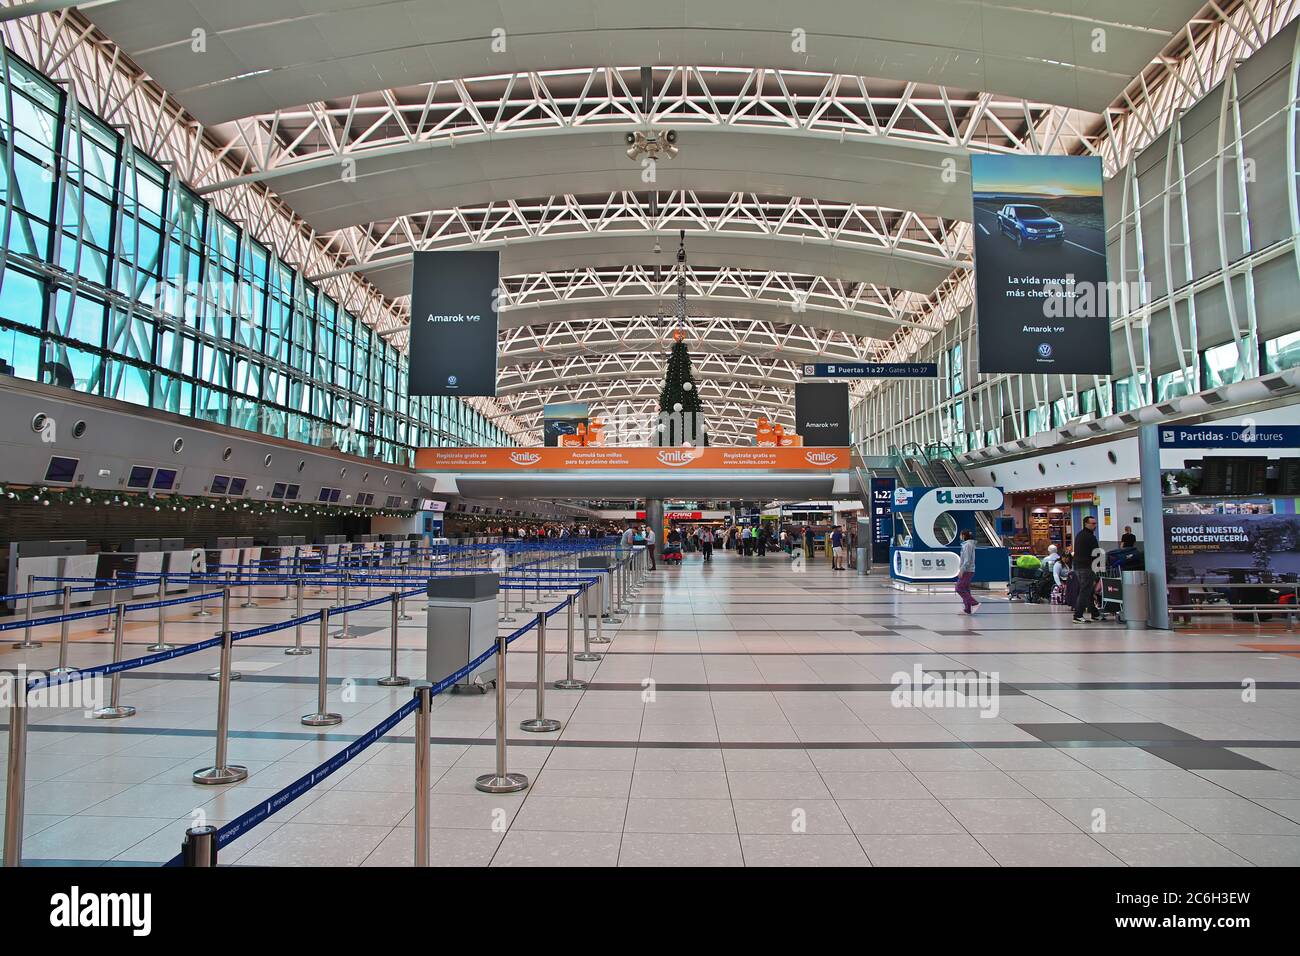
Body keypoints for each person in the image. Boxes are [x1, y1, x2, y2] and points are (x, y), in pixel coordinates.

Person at [1072, 515, 1102, 623]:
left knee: (1088, 591)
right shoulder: (1090, 537)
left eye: (1095, 523)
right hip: (1086, 567)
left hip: (1078, 567)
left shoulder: (1079, 535)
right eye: (1093, 523)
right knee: (1085, 591)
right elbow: (1096, 553)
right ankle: (1077, 615)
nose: (1095, 526)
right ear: (1086, 524)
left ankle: (1095, 613)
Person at [955, 529, 979, 614]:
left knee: (959, 588)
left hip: (967, 570)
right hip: (968, 569)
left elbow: (967, 559)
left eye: (960, 535)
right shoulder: (967, 544)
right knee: (965, 589)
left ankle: (974, 603)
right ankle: (967, 609)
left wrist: (962, 570)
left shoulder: (968, 545)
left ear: (964, 536)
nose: (960, 536)